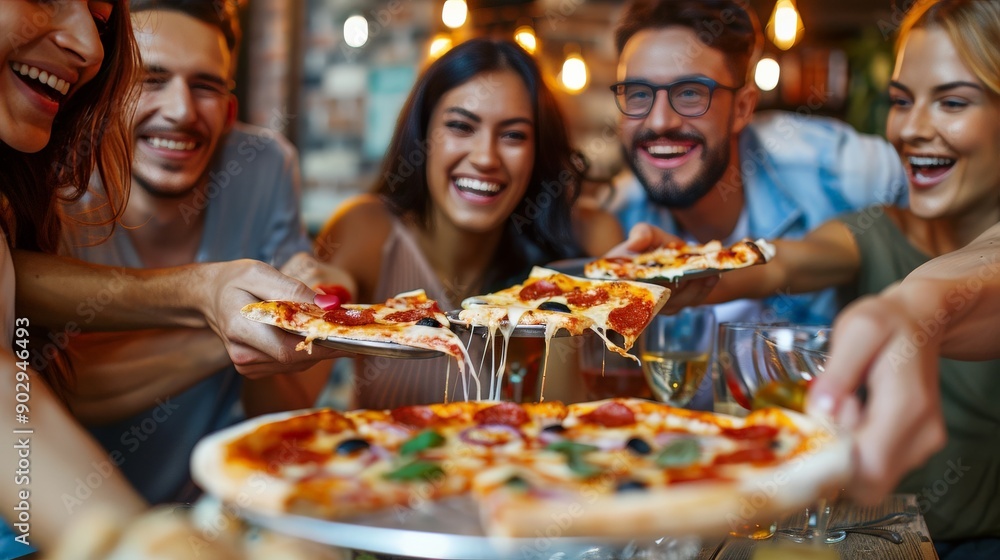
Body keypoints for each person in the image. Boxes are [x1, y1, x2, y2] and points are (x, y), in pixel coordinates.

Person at [0, 1, 335, 555]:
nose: (180, 110)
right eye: (150, 79)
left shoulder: (263, 164)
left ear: (229, 111)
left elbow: (282, 406)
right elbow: (36, 385)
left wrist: (280, 310)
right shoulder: (53, 162)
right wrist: (226, 315)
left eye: (206, 86)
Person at [681, 0, 1000, 552]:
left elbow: (979, 271)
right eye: (901, 102)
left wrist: (907, 307)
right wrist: (681, 268)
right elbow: (783, 260)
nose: (913, 128)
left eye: (951, 102)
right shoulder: (876, 229)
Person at [313, 38, 623, 409]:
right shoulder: (365, 230)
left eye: (513, 135)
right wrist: (302, 315)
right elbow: (271, 406)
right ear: (423, 133)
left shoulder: (589, 240)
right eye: (461, 126)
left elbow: (590, 435)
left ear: (538, 150)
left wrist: (561, 311)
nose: (485, 157)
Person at [610, 0, 907, 327]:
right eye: (638, 94)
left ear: (742, 108)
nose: (661, 121)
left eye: (690, 93)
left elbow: (960, 210)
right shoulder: (615, 218)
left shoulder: (836, 166)